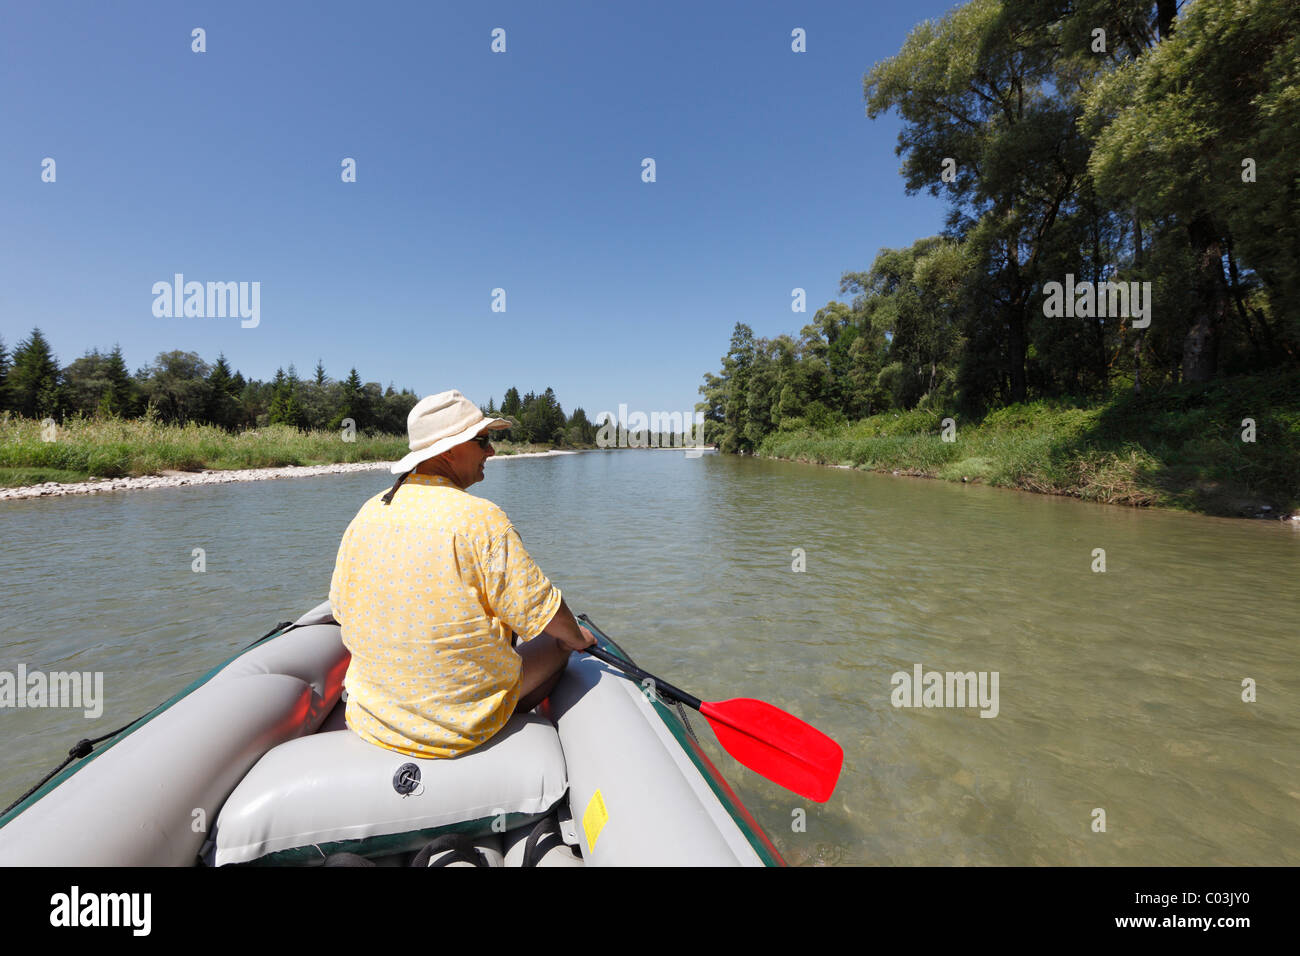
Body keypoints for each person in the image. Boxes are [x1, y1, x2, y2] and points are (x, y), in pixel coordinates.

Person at [328, 389, 594, 759]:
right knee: (562, 641)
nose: (492, 452)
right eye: (482, 441)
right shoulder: (480, 519)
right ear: (448, 450)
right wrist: (577, 639)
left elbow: (341, 610)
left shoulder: (369, 511)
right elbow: (543, 611)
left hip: (371, 719)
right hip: (460, 727)